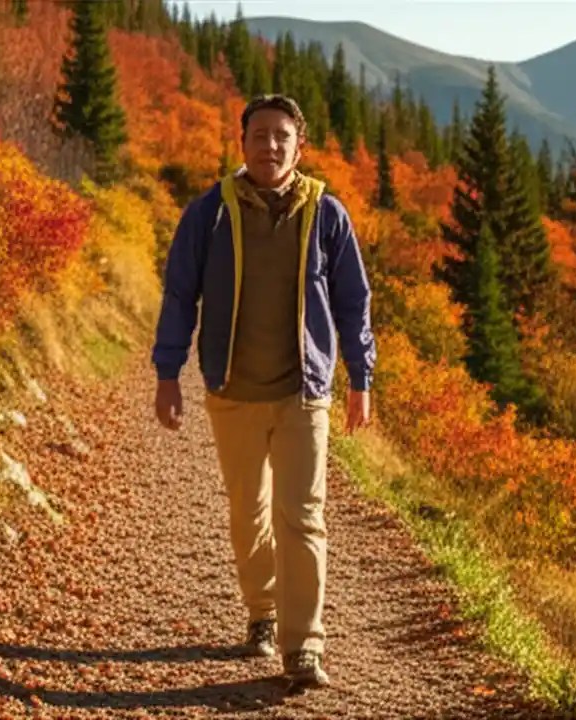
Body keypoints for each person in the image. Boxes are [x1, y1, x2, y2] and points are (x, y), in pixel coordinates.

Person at [150, 94, 376, 689]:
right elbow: (180, 295)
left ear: (299, 146)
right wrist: (167, 373)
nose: (270, 145)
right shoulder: (209, 214)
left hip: (304, 393)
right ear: (241, 140)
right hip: (233, 391)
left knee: (302, 515)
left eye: (281, 135)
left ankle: (304, 648)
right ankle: (263, 614)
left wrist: (361, 377)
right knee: (249, 511)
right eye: (259, 134)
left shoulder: (327, 213)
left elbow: (354, 302)